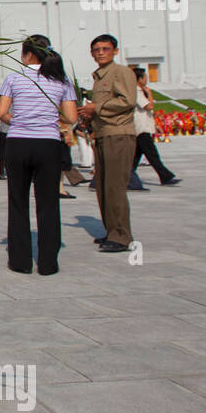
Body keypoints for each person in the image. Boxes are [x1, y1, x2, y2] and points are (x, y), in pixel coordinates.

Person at [0, 36, 78, 275]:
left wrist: (21, 119)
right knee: (48, 204)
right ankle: (48, 263)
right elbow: (72, 118)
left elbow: (1, 113)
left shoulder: (14, 78)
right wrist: (51, 118)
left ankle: (20, 262)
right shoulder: (61, 80)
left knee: (18, 202)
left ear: (27, 55)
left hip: (18, 143)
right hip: (48, 144)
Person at [78, 35, 137, 252]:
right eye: (96, 49)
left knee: (114, 188)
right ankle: (111, 230)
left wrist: (97, 108)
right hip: (103, 134)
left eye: (105, 48)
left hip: (118, 135)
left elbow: (128, 100)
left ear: (115, 50)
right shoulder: (99, 76)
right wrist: (89, 117)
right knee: (103, 187)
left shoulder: (120, 72)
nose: (101, 52)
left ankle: (121, 236)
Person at [132, 68, 180, 186]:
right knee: (152, 154)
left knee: (135, 157)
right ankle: (165, 177)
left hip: (143, 127)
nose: (147, 79)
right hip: (141, 127)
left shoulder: (140, 91)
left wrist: (154, 125)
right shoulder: (136, 91)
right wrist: (150, 93)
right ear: (139, 79)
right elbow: (148, 106)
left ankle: (127, 177)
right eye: (145, 77)